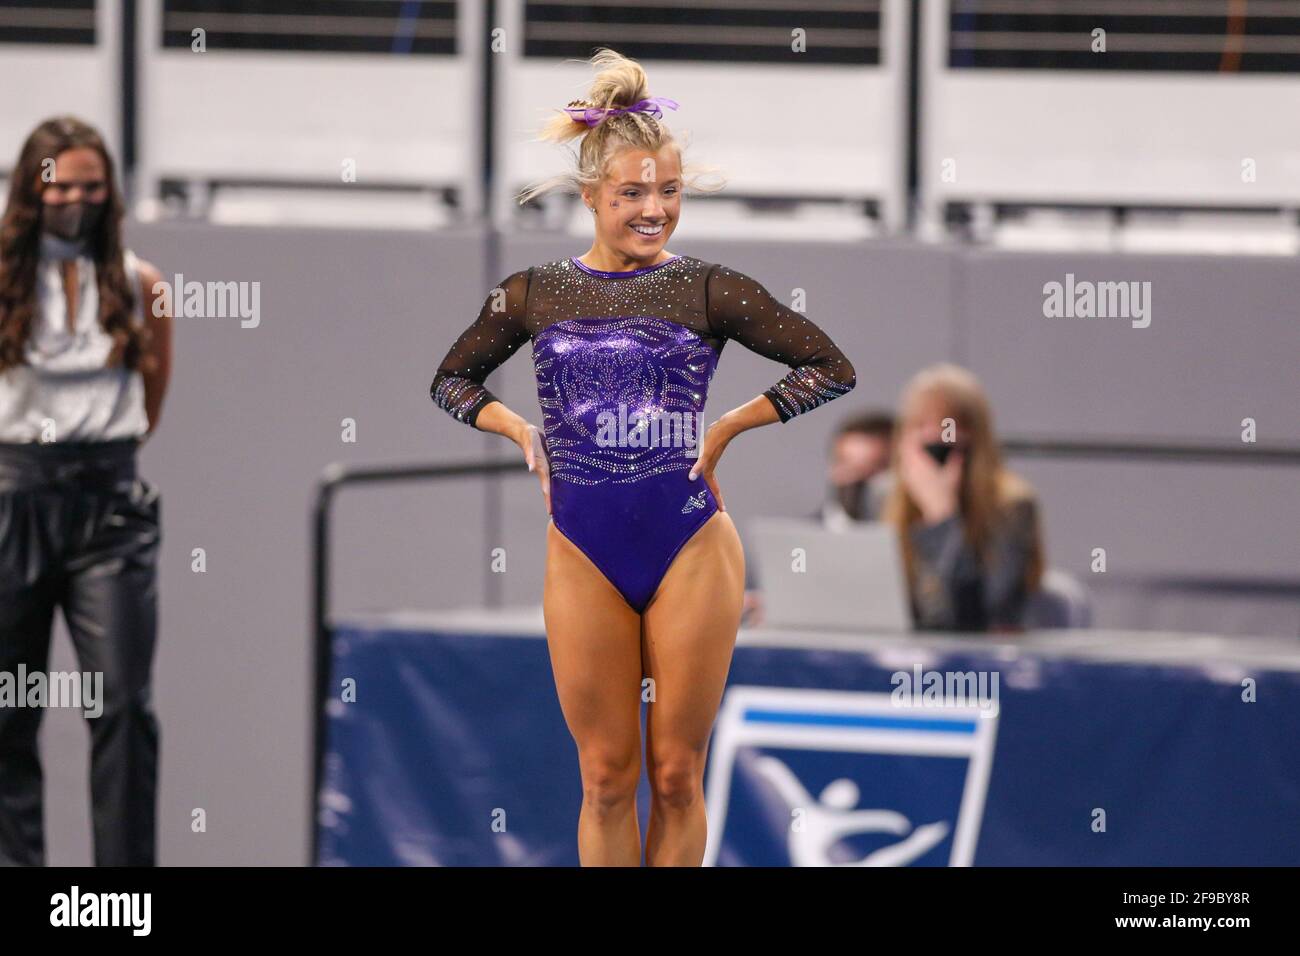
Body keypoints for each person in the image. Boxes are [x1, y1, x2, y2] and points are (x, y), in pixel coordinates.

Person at [429, 49, 856, 866]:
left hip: (689, 540)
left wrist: (730, 424)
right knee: (605, 775)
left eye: (668, 191)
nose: (653, 208)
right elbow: (452, 378)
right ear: (591, 195)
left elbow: (831, 367)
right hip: (581, 543)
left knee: (675, 772)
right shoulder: (532, 292)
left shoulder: (707, 289)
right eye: (632, 193)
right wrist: (516, 428)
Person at [0, 116, 172, 865]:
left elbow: (153, 391)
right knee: (9, 707)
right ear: (30, 190)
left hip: (109, 507)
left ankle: (120, 896)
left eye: (91, 186)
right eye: (59, 186)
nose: (75, 200)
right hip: (11, 499)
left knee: (122, 706)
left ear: (111, 193)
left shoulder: (142, 285)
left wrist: (97, 456)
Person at [882, 363, 1043, 632]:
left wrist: (942, 516)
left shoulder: (1012, 506)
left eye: (946, 427)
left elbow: (970, 617)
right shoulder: (883, 498)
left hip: (978, 664)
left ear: (973, 436)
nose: (932, 437)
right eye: (920, 425)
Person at [740, 409, 894, 626]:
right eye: (848, 465)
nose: (858, 479)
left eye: (876, 468)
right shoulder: (788, 548)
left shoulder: (915, 546)